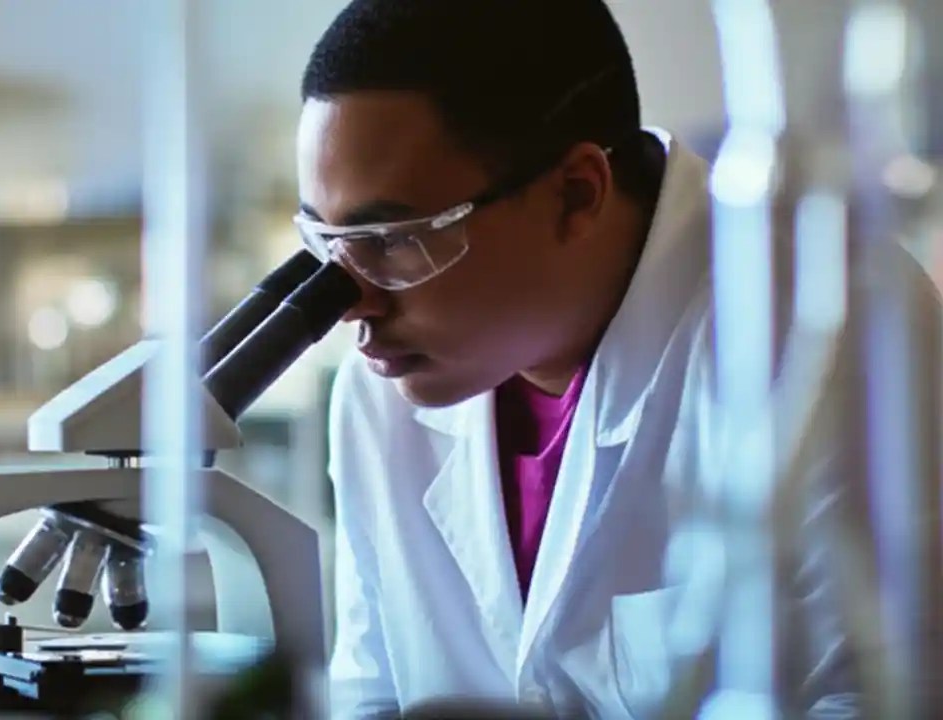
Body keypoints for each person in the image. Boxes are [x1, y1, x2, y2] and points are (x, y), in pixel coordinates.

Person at [296, 1, 941, 717]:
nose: (354, 304)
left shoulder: (824, 322)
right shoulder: (383, 384)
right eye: (327, 243)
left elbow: (886, 696)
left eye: (391, 240)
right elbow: (372, 693)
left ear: (577, 194)